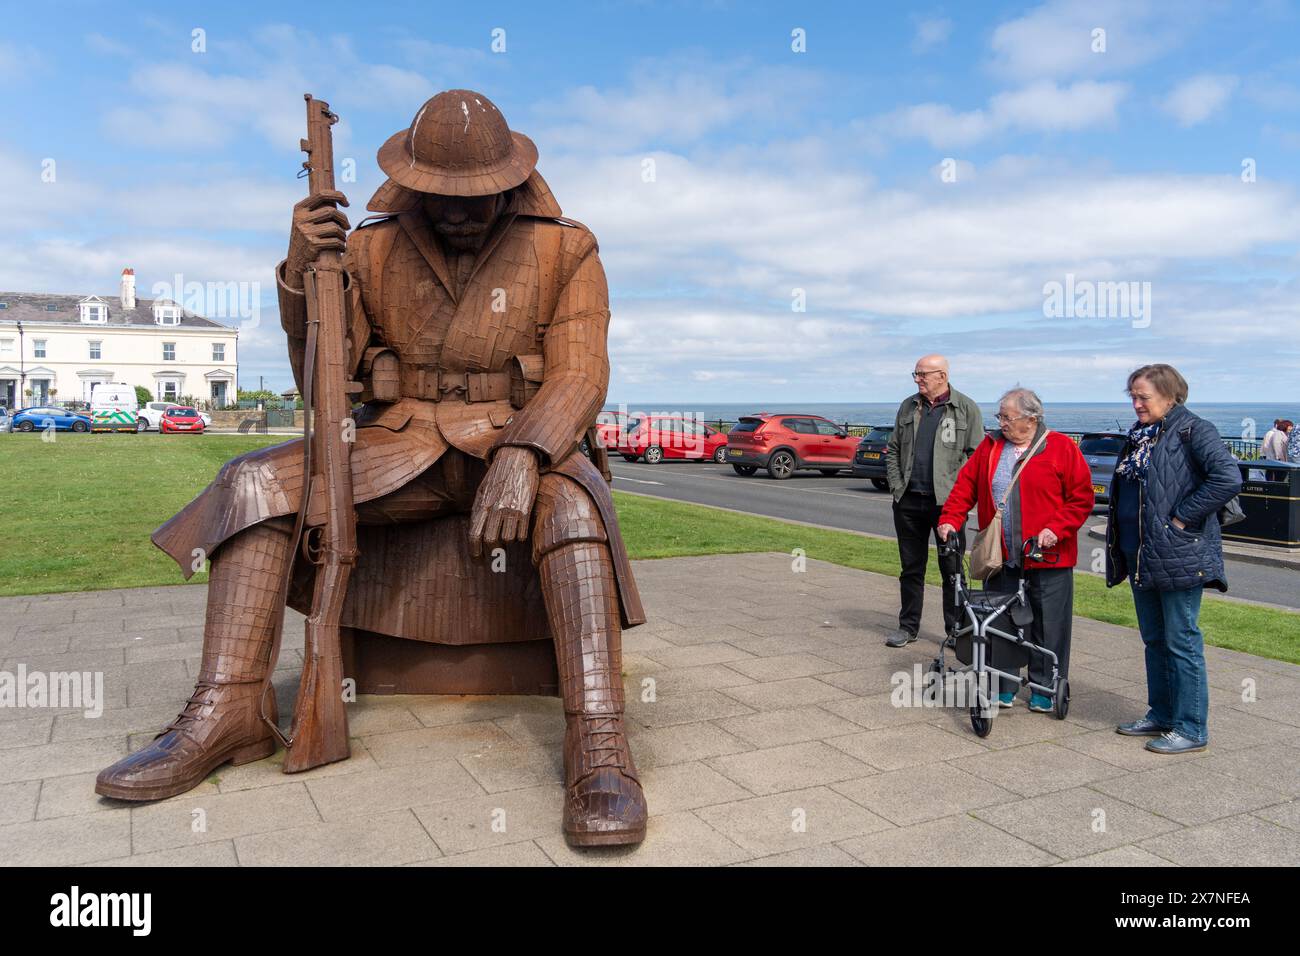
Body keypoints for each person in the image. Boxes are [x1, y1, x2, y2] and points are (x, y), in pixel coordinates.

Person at [95, 89, 649, 845]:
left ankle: (600, 741)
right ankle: (229, 710)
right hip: (403, 444)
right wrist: (301, 269)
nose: (456, 212)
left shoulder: (568, 246)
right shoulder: (367, 245)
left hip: (520, 440)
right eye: (439, 198)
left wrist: (524, 452)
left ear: (508, 182)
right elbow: (324, 371)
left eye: (474, 200)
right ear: (411, 182)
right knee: (252, 482)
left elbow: (581, 375)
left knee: (577, 511)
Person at [1105, 364, 1241, 754]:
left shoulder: (1194, 430)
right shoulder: (1141, 434)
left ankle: (1192, 727)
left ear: (1170, 395)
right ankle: (1162, 714)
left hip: (1178, 553)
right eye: (1132, 396)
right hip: (1140, 554)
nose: (1136, 404)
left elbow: (1228, 477)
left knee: (1181, 640)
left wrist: (1182, 517)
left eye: (1143, 397)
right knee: (1153, 639)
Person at [938, 388, 1094, 709]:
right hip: (1002, 555)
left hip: (1046, 556)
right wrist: (950, 519)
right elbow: (966, 485)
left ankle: (1044, 688)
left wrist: (1056, 529)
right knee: (999, 622)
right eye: (1001, 416)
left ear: (1031, 419)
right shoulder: (991, 445)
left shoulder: (1061, 447)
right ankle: (1003, 685)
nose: (1002, 423)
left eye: (1007, 417)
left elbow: (1081, 498)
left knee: (1048, 625)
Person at [883, 354, 984, 646]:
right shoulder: (907, 406)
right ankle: (908, 627)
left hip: (948, 507)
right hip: (908, 502)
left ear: (941, 375)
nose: (917, 380)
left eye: (922, 374)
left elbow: (976, 457)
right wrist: (897, 486)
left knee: (951, 570)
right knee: (911, 568)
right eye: (915, 374)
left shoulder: (966, 408)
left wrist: (957, 494)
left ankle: (955, 631)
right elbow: (893, 450)